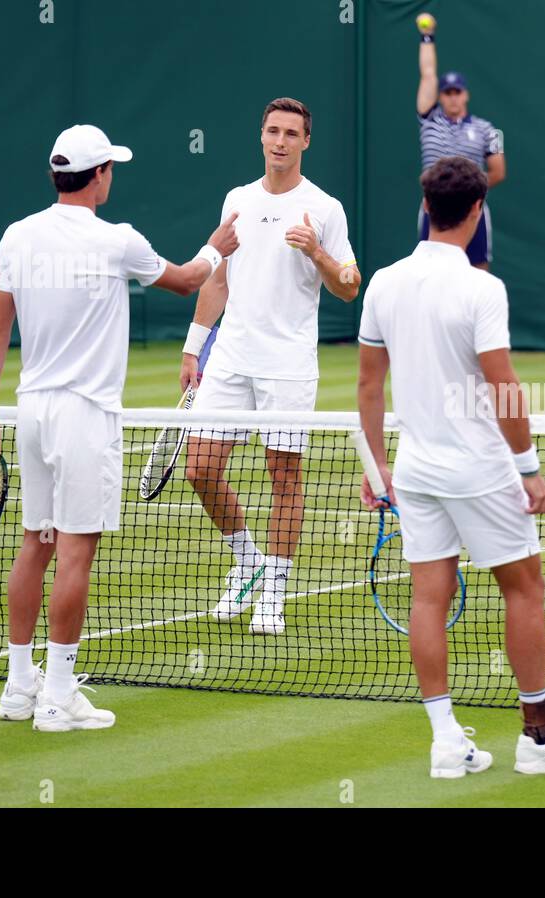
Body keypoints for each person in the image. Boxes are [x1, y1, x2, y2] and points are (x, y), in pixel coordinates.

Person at [0, 124, 238, 730]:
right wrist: (220, 245)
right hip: (85, 418)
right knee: (75, 552)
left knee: (35, 544)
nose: (112, 176)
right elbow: (188, 280)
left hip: (30, 413)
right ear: (97, 177)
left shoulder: (17, 235)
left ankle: (18, 688)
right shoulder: (117, 240)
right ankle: (58, 695)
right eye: (111, 168)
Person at [357, 156, 545, 778]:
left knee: (427, 597)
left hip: (414, 472)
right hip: (481, 472)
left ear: (426, 207)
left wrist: (374, 466)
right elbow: (503, 385)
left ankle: (446, 740)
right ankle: (539, 736)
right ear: (476, 211)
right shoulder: (482, 288)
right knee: (525, 589)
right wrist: (528, 468)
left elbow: (367, 386)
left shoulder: (384, 282)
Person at [180, 97, 361, 635]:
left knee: (284, 477)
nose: (280, 141)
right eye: (272, 131)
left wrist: (318, 254)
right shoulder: (236, 200)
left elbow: (349, 287)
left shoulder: (324, 209)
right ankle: (248, 560)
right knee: (200, 469)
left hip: (288, 363)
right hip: (231, 356)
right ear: (261, 136)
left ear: (306, 142)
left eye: (291, 133)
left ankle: (274, 593)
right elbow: (217, 279)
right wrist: (194, 348)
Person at [414, 14, 505, 269]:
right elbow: (428, 75)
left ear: (466, 94)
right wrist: (427, 37)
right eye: (447, 93)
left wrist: (464, 189)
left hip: (471, 207)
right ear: (441, 96)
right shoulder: (429, 119)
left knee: (477, 267)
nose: (453, 97)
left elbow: (499, 170)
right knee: (429, 267)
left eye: (457, 92)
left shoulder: (489, 129)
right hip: (434, 205)